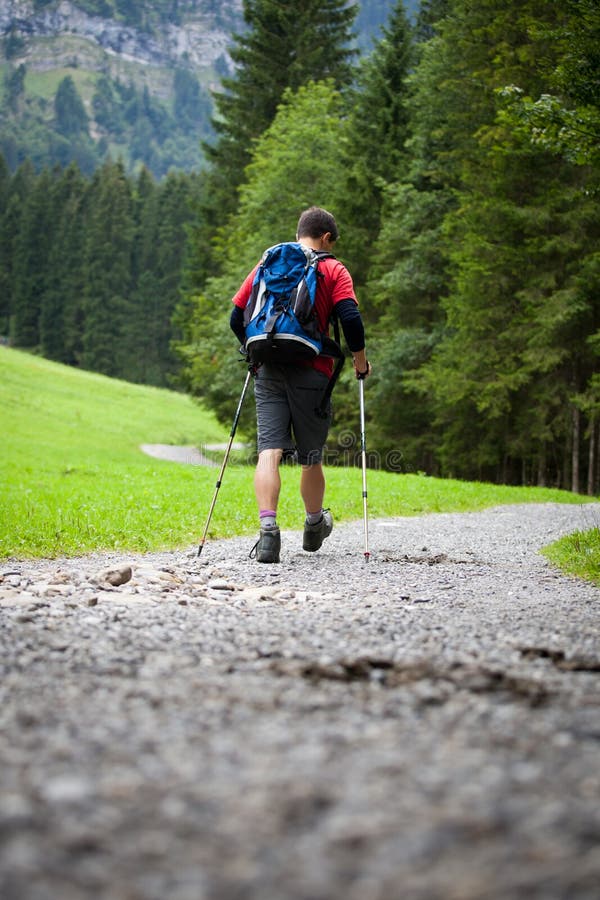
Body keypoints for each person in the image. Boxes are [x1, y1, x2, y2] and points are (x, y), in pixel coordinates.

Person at [230, 206, 371, 563]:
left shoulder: (269, 262)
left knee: (269, 451)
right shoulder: (333, 269)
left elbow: (236, 317)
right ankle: (313, 525)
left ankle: (268, 533)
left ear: (299, 234)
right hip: (313, 372)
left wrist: (254, 353)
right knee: (310, 456)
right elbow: (350, 318)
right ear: (327, 238)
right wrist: (360, 361)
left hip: (269, 368)